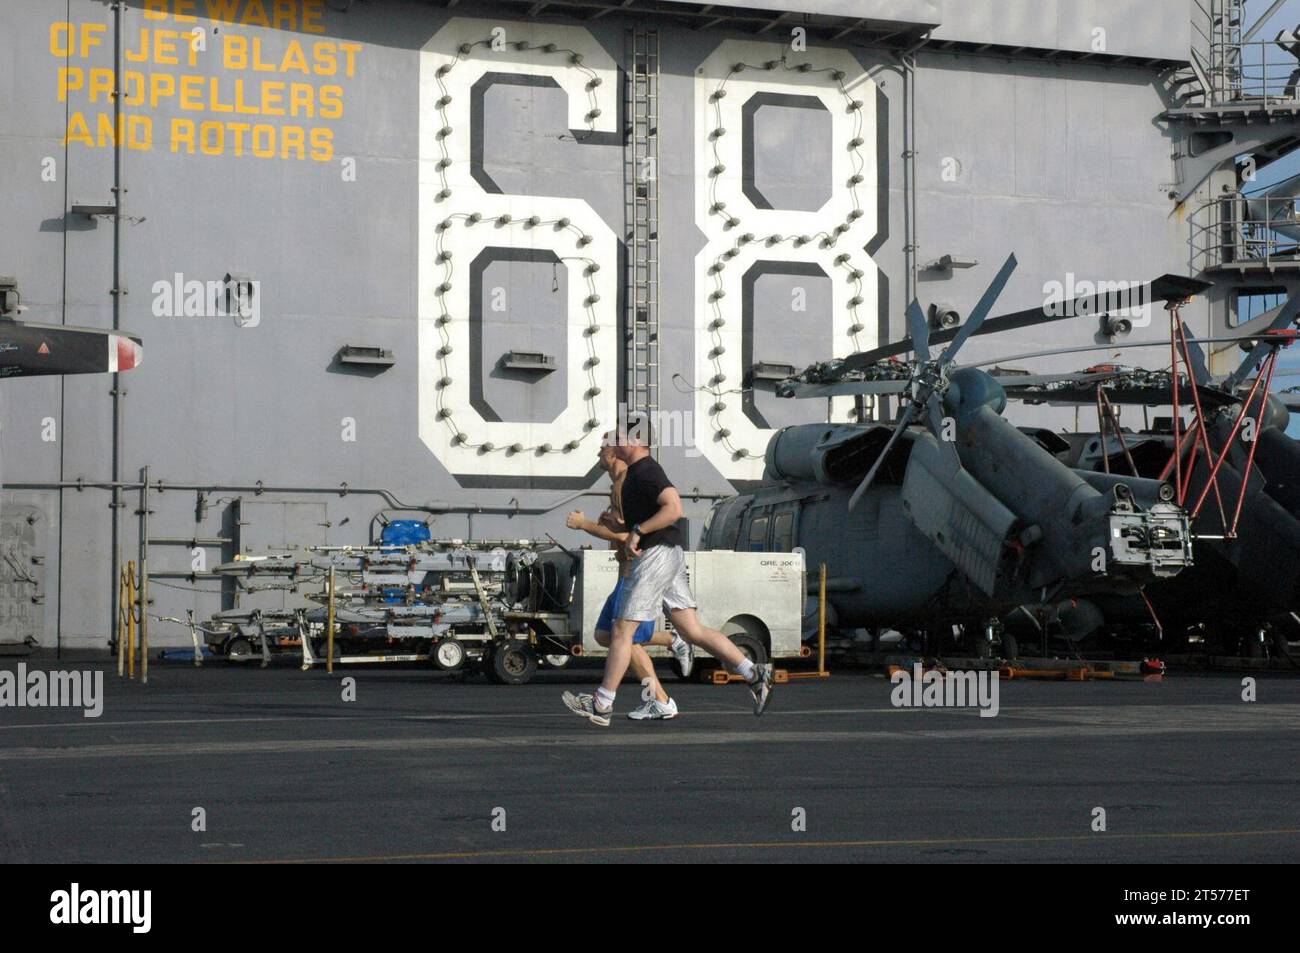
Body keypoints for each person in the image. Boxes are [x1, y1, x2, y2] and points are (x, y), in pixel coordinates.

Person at [563, 413, 773, 726]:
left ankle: (602, 704)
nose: (612, 440)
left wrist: (636, 531)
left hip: (656, 556)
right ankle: (753, 673)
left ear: (635, 441)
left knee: (621, 632)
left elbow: (674, 508)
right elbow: (646, 517)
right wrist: (621, 525)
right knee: (691, 630)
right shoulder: (635, 474)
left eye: (619, 435)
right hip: (668, 553)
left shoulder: (645, 470)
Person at [566, 437, 693, 720]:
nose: (599, 451)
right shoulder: (617, 484)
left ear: (614, 451)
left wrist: (584, 525)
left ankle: (672, 645)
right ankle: (661, 696)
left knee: (622, 636)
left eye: (603, 446)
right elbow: (625, 529)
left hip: (636, 572)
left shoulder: (626, 481)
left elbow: (631, 535)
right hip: (626, 571)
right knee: (607, 636)